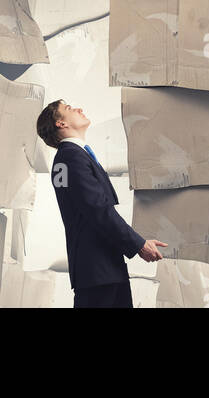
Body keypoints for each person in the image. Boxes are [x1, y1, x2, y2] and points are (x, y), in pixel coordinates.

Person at [35, 99, 167, 308]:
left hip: (104, 269)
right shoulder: (71, 157)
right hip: (98, 271)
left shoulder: (72, 156)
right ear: (60, 123)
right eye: (69, 109)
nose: (79, 108)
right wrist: (138, 244)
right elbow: (97, 209)